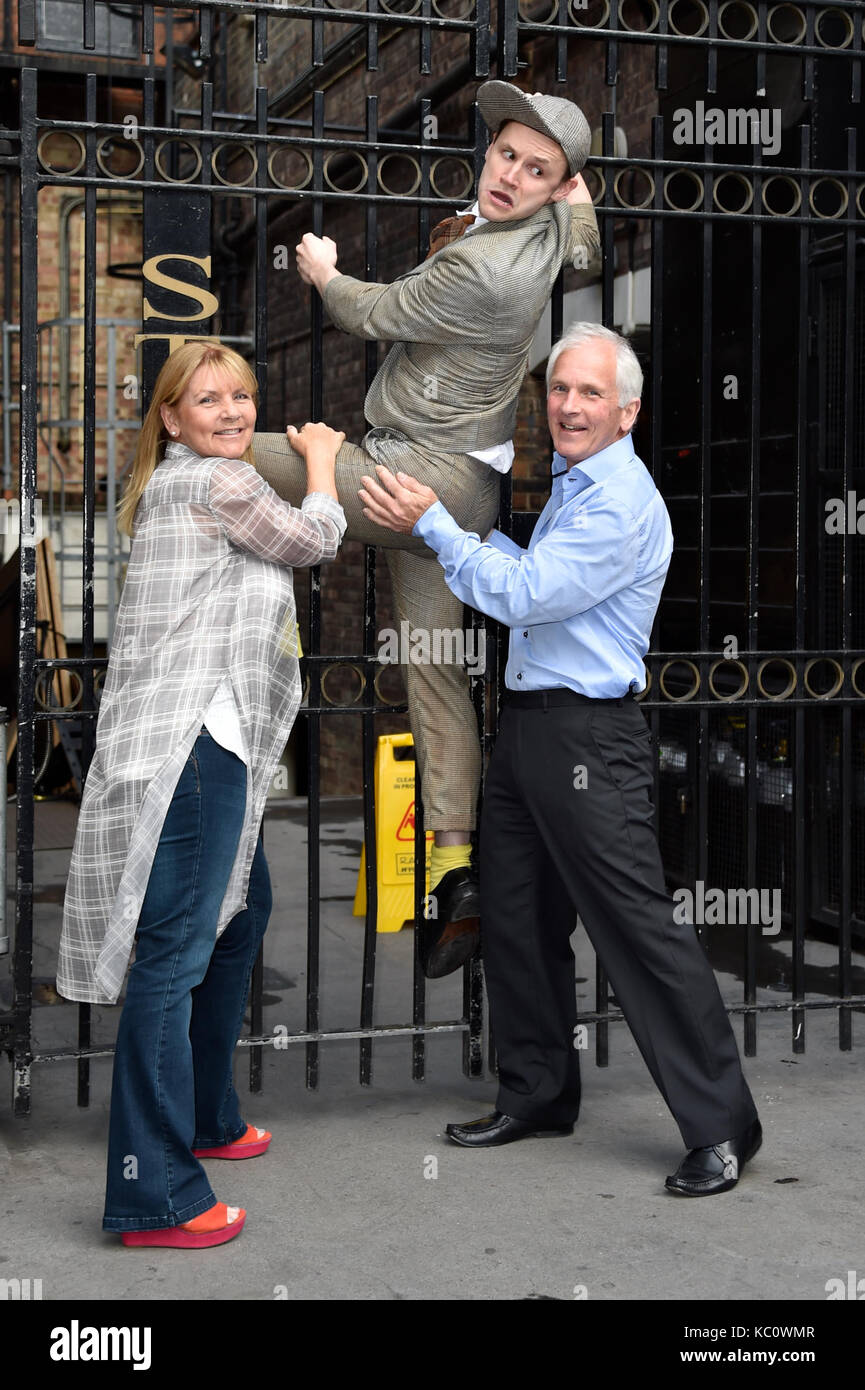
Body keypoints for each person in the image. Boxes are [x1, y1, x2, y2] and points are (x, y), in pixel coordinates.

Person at [357, 322, 762, 1196]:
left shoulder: (620, 501)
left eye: (588, 393)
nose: (568, 406)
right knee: (516, 918)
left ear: (627, 412)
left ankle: (723, 1128)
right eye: (558, 390)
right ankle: (536, 1093)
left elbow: (530, 597)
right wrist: (459, 530)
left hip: (589, 736)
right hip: (532, 730)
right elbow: (534, 576)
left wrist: (432, 522)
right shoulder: (579, 487)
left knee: (636, 932)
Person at [253, 81, 598, 979]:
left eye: (536, 169)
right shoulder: (554, 228)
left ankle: (174, 516)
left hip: (416, 482)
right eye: (506, 154)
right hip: (467, 492)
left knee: (231, 452)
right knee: (433, 674)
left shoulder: (478, 271)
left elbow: (369, 314)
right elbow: (588, 242)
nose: (510, 175)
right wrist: (574, 193)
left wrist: (323, 268)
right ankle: (453, 876)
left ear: (554, 180)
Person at [57, 341, 347, 1246]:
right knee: (173, 958)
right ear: (172, 416)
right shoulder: (218, 486)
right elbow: (313, 540)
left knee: (243, 911)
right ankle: (154, 1193)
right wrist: (325, 465)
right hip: (192, 743)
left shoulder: (183, 482)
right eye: (206, 398)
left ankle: (210, 1115)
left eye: (242, 396)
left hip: (212, 739)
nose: (229, 411)